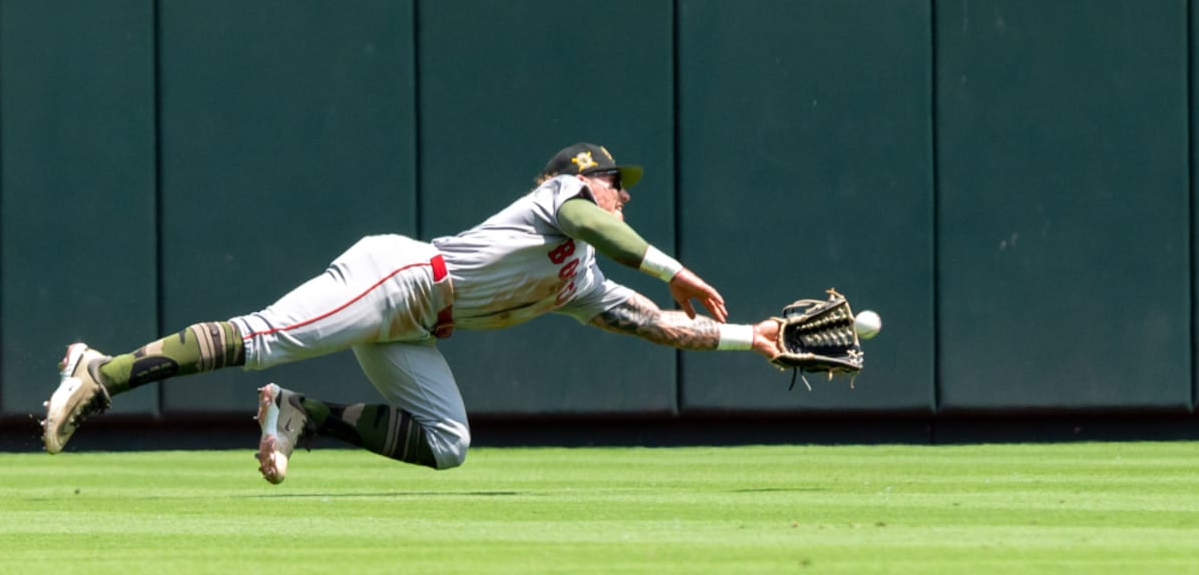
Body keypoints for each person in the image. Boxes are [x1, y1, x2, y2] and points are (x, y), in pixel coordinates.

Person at [41, 143, 784, 483]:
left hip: (421, 327)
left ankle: (298, 415)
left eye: (622, 184)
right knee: (264, 337)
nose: (622, 191)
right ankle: (99, 372)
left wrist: (753, 338)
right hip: (400, 278)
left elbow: (659, 324)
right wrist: (675, 267)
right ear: (579, 178)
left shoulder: (584, 283)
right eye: (614, 180)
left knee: (448, 443)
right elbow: (601, 229)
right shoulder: (559, 201)